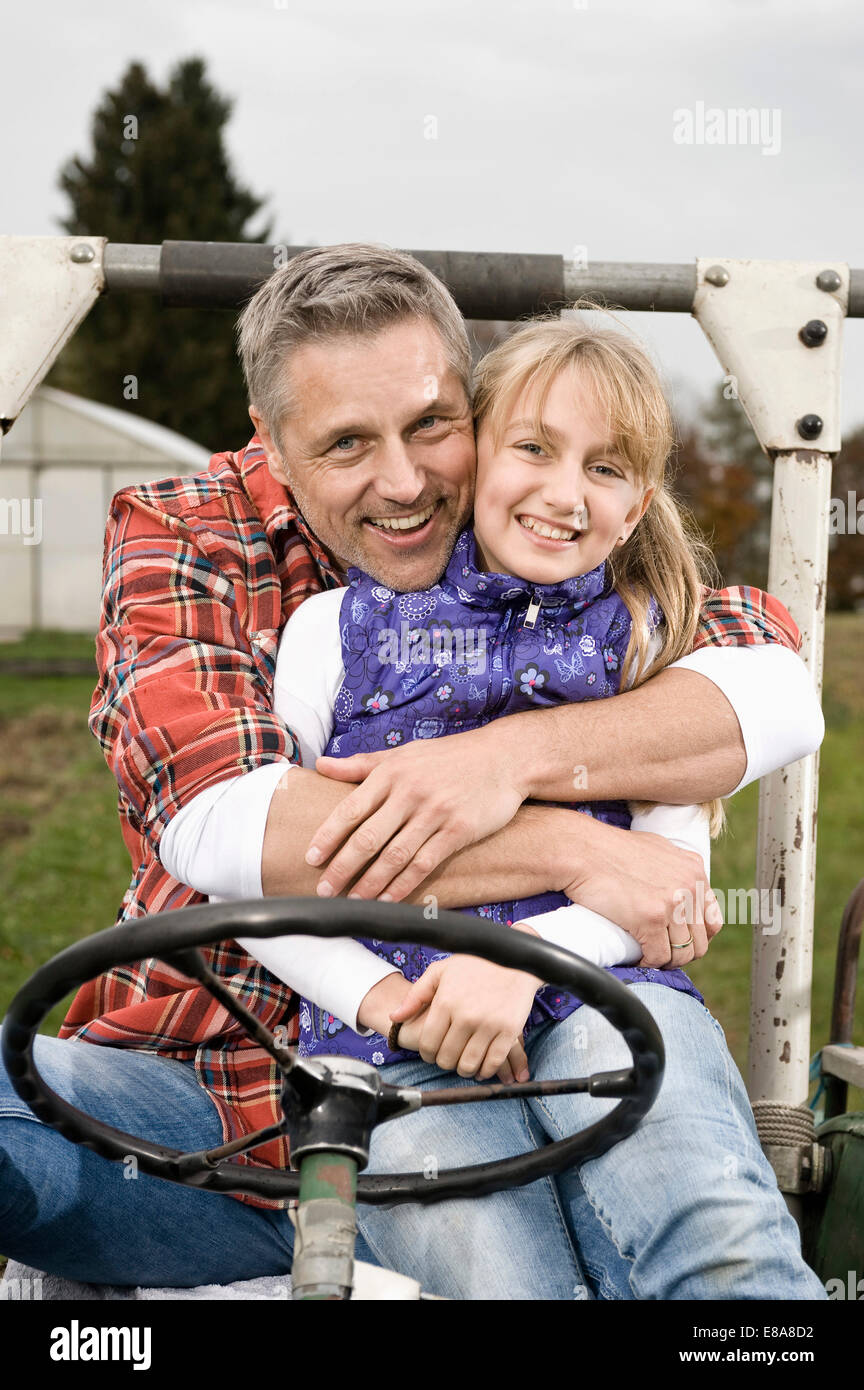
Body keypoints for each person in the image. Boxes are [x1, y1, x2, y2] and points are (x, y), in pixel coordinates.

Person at [0, 245, 824, 1297]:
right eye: (347, 442)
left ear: (478, 415)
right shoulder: (198, 541)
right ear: (272, 446)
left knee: (695, 1235)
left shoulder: (587, 568)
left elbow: (764, 691)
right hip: (212, 1094)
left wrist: (504, 759)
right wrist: (578, 851)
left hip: (510, 1055)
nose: (404, 481)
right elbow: (229, 830)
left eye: (432, 426)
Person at [239, 315, 725, 1085]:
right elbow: (252, 882)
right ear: (476, 455)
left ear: (635, 507)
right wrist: (393, 1002)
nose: (564, 494)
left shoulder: (645, 643)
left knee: (702, 1192)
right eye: (533, 448)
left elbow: (667, 882)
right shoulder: (338, 632)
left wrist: (521, 967)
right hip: (398, 1044)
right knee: (462, 1203)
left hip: (603, 1001)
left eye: (605, 469)